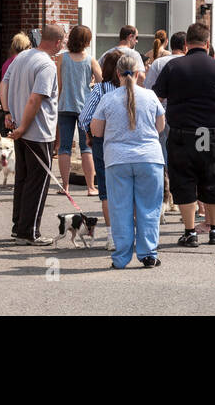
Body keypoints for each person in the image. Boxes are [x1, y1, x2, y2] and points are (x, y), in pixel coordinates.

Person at [152, 22, 215, 247]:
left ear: (186, 44)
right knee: (212, 180)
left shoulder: (174, 67)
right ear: (207, 43)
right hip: (208, 132)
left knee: (184, 180)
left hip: (181, 133)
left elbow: (159, 96)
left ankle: (189, 232)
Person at [91, 53, 167, 268]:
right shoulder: (151, 96)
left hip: (117, 160)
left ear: (117, 74)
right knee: (149, 208)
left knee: (120, 209)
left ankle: (121, 257)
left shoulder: (108, 98)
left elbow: (96, 130)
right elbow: (160, 127)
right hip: (149, 158)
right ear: (138, 73)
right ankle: (148, 253)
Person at [3, 23, 65, 246]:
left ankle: (18, 225)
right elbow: (35, 99)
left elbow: (4, 83)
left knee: (23, 178)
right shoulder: (47, 65)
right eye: (62, 42)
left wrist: (8, 112)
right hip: (38, 132)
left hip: (20, 126)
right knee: (37, 183)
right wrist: (22, 126)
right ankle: (29, 232)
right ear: (57, 42)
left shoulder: (22, 56)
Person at [78, 51, 123, 246]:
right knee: (126, 188)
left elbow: (84, 117)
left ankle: (112, 236)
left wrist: (90, 132)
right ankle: (129, 233)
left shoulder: (100, 90)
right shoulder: (131, 89)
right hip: (127, 142)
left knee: (105, 189)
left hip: (103, 141)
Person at [57, 25, 102, 198]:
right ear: (87, 42)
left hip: (65, 105)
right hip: (85, 107)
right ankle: (91, 187)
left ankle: (65, 186)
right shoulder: (90, 60)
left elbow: (59, 85)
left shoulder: (62, 58)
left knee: (64, 147)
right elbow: (101, 82)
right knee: (86, 148)